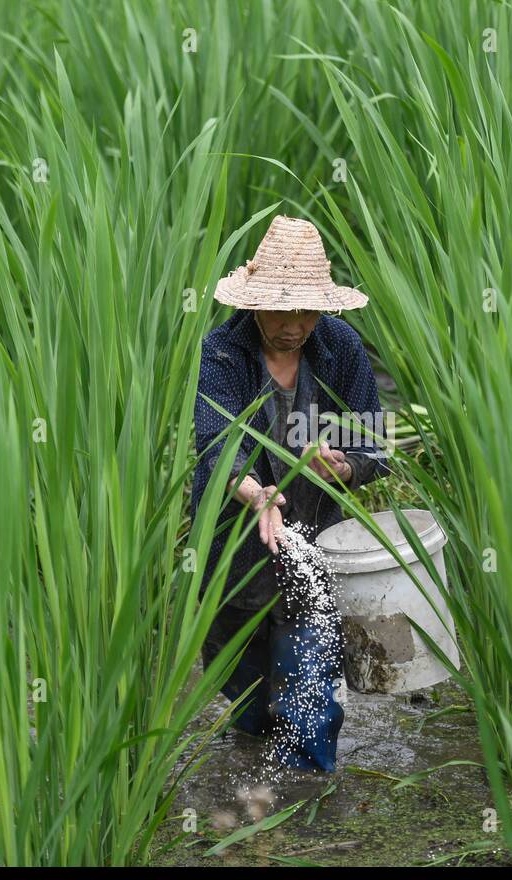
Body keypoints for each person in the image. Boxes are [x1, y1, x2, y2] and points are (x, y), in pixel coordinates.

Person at [191, 215, 388, 772]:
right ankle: (258, 774)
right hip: (240, 545)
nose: (295, 326)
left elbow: (374, 440)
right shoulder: (223, 353)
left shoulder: (340, 347)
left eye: (308, 310)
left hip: (314, 543)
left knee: (308, 696)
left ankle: (306, 806)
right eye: (283, 309)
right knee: (248, 698)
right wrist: (257, 495)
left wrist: (345, 467)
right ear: (253, 303)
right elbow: (216, 446)